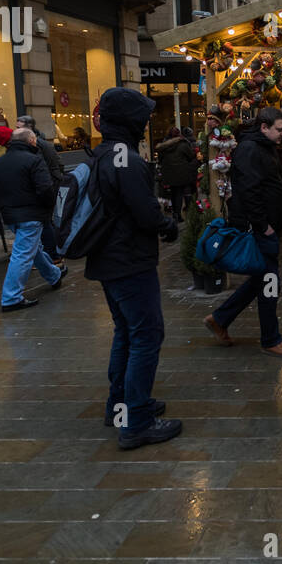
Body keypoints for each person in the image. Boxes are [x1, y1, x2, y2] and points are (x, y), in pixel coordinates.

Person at [86, 87, 181, 450]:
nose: (146, 124)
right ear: (130, 121)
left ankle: (120, 406)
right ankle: (137, 421)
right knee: (146, 335)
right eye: (142, 118)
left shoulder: (104, 154)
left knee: (126, 332)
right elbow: (145, 214)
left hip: (108, 260)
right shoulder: (126, 159)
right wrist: (167, 226)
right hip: (128, 261)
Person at [205, 107, 282, 357]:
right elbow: (249, 191)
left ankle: (220, 319)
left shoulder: (264, 147)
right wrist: (263, 226)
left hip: (267, 227)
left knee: (261, 277)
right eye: (279, 129)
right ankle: (270, 339)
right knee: (270, 281)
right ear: (264, 127)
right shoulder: (249, 149)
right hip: (260, 230)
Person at [0, 128, 63, 311]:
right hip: (31, 215)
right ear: (32, 140)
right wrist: (46, 209)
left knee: (31, 249)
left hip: (11, 216)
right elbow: (45, 190)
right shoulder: (35, 161)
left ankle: (54, 275)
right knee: (23, 254)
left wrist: (4, 205)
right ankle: (11, 298)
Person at [16, 115, 65, 265]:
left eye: (19, 127)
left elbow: (40, 169)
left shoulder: (36, 145)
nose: (16, 130)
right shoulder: (37, 143)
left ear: (29, 128)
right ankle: (50, 254)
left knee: (44, 220)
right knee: (45, 220)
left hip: (46, 186)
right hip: (49, 183)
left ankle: (52, 255)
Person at [155, 127, 197, 222]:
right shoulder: (182, 144)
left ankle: (175, 213)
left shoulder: (164, 146)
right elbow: (190, 156)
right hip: (181, 172)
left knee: (174, 192)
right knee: (179, 193)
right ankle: (178, 215)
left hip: (169, 173)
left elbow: (160, 159)